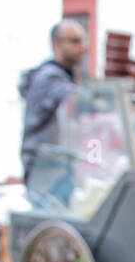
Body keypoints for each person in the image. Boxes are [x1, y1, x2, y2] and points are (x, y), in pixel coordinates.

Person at [19, 20, 86, 183]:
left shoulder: (64, 76)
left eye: (82, 41)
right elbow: (80, 100)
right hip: (44, 166)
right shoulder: (49, 77)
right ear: (56, 44)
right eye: (75, 41)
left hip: (53, 165)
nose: (82, 47)